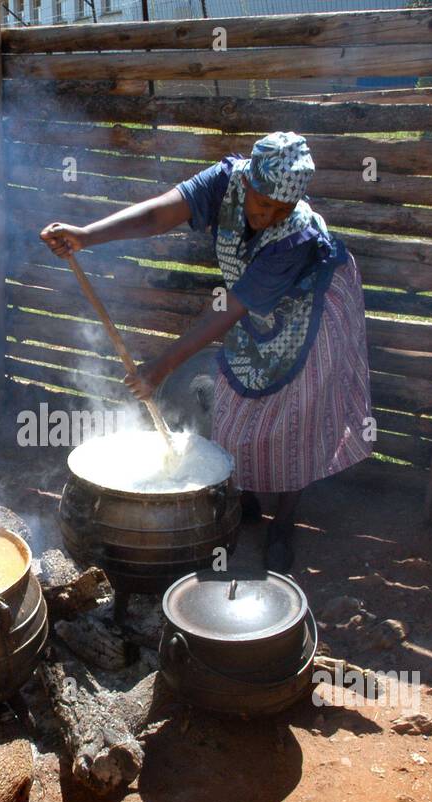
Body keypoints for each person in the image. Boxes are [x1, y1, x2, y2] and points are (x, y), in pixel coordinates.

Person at [40, 131, 372, 572]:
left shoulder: (295, 239)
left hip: (313, 310)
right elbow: (159, 215)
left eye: (281, 210)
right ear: (249, 181)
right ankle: (248, 497)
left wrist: (160, 367)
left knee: (297, 416)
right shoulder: (224, 180)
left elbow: (231, 310)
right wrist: (87, 235)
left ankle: (284, 521)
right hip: (258, 305)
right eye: (262, 203)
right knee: (237, 407)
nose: (268, 216)